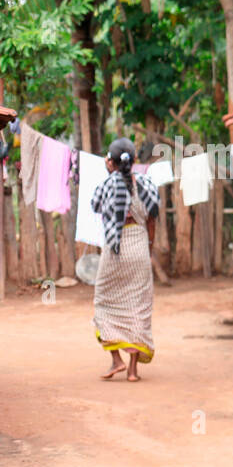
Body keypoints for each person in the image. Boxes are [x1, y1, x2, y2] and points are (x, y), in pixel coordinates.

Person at [90, 138, 160, 381]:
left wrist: (111, 176)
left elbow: (95, 206)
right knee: (138, 307)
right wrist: (149, 248)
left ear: (112, 162)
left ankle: (116, 360)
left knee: (104, 303)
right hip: (139, 246)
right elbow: (152, 219)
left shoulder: (107, 185)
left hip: (114, 249)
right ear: (135, 160)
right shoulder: (147, 184)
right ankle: (132, 370)